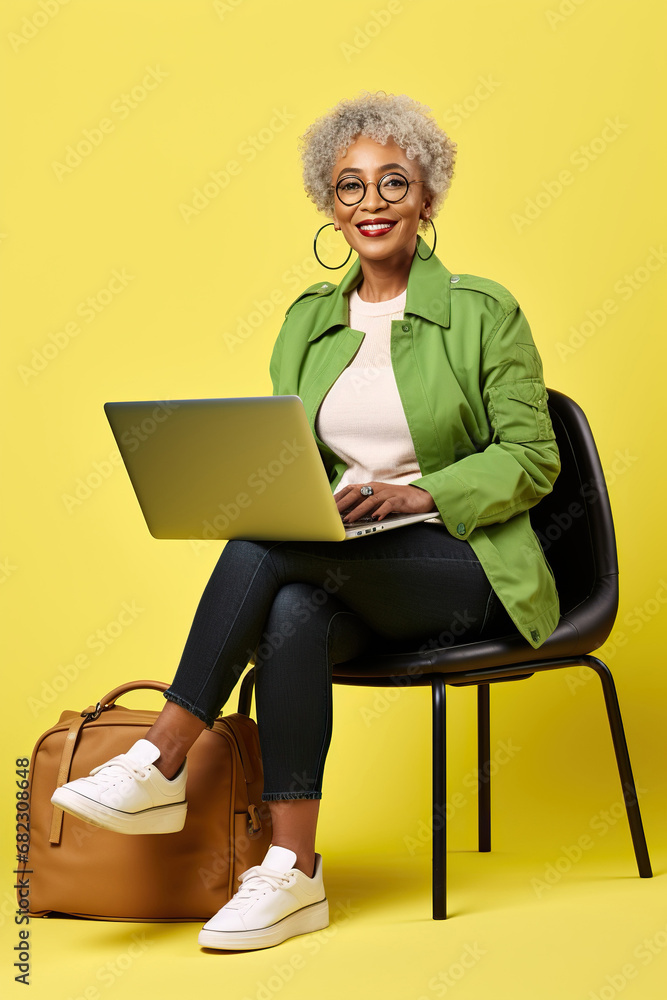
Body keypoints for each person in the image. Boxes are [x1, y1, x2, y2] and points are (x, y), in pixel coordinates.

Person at [51, 90, 561, 951]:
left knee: (263, 541)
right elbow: (298, 461)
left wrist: (418, 493)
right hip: (342, 564)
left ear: (427, 198)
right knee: (290, 605)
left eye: (393, 183)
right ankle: (293, 873)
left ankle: (165, 752)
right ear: (331, 205)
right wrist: (307, 496)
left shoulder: (483, 311)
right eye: (350, 186)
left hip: (464, 566)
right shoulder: (307, 323)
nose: (372, 204)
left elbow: (533, 456)